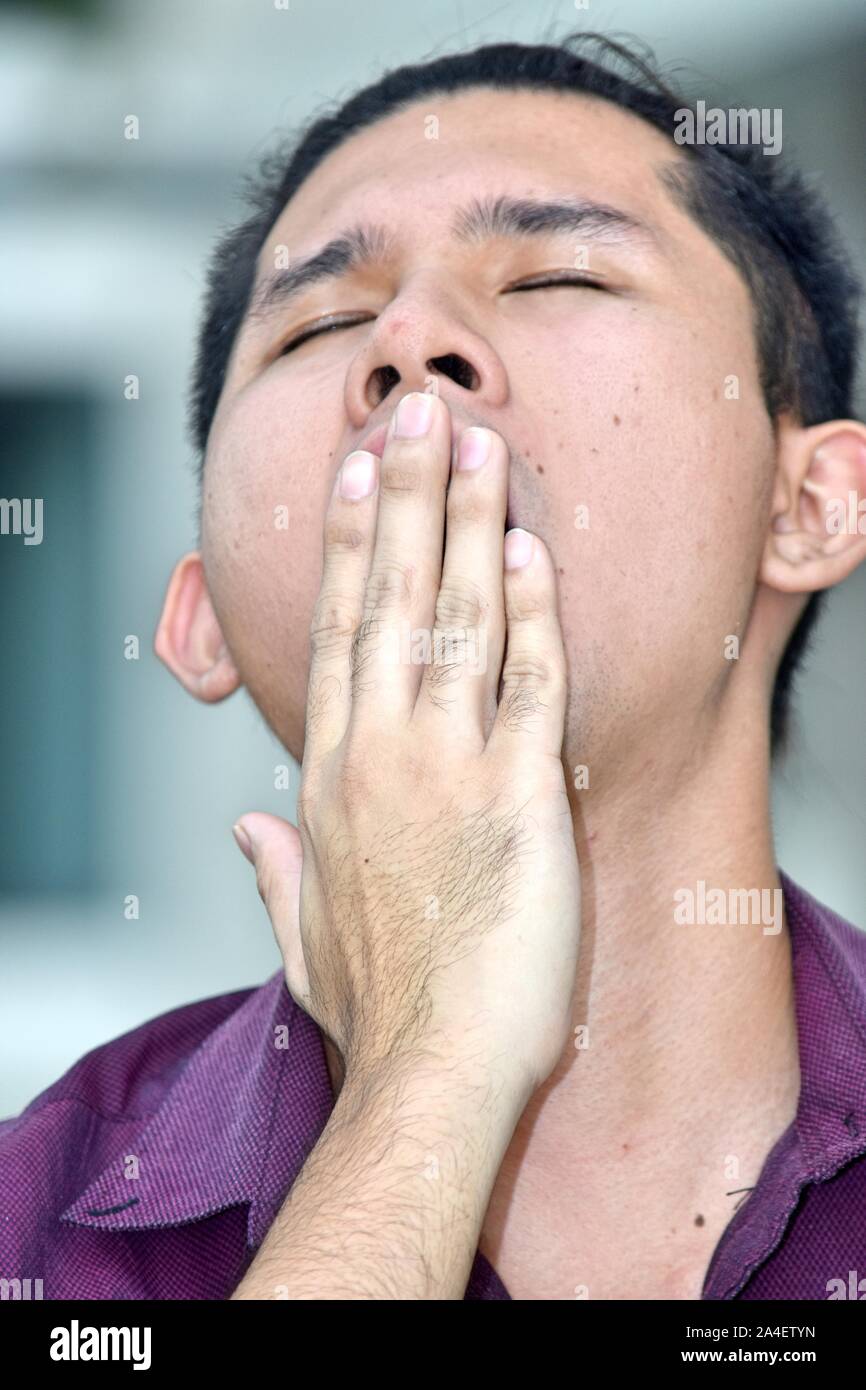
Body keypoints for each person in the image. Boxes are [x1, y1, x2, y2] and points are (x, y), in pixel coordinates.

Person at [2, 32, 865, 1302]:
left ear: (810, 505)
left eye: (558, 272)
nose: (409, 342)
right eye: (322, 322)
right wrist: (430, 1076)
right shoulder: (39, 1235)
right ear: (199, 619)